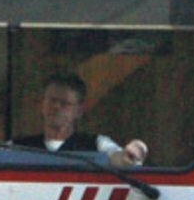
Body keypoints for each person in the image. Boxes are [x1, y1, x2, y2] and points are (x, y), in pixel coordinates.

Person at [13, 72, 148, 168]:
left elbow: (118, 158)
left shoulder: (97, 144)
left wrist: (131, 154)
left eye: (65, 103)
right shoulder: (15, 146)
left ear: (79, 111)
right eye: (52, 101)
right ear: (41, 104)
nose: (56, 107)